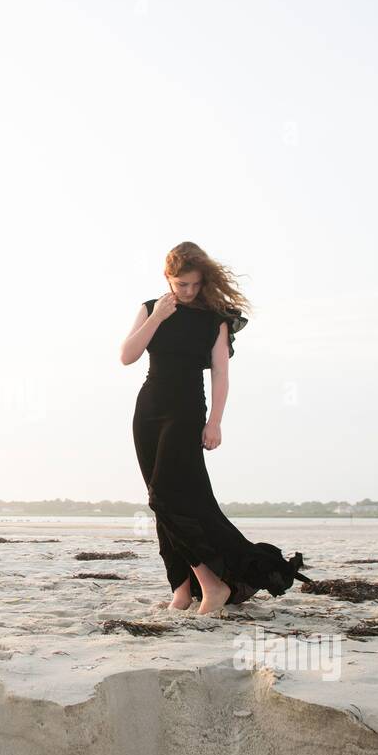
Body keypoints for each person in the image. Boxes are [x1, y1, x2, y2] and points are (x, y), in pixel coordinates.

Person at [120, 241, 311, 615]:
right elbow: (127, 356)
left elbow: (221, 374)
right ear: (168, 280)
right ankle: (181, 589)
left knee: (168, 498)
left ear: (202, 280)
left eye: (193, 284)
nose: (188, 291)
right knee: (163, 505)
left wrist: (215, 422)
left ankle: (213, 586)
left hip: (186, 412)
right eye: (181, 285)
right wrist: (157, 316)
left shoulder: (215, 319)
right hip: (148, 412)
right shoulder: (149, 309)